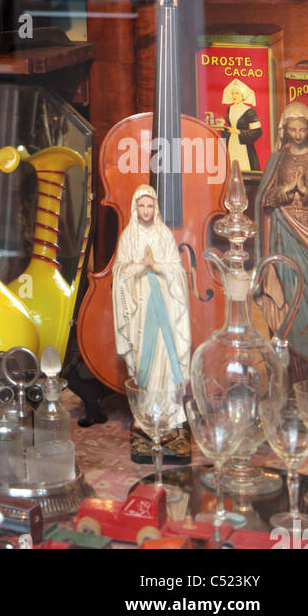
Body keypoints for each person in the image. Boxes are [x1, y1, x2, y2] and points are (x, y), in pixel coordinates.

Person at [112, 183, 192, 461]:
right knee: (143, 359)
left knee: (165, 358)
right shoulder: (128, 237)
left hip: (164, 307)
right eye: (141, 206)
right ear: (136, 208)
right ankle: (146, 412)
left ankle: (169, 413)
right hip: (140, 308)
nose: (146, 211)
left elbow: (177, 272)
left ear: (155, 208)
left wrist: (155, 266)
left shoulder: (164, 234)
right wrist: (140, 268)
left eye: (150, 206)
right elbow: (119, 271)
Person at [257, 101, 308, 378]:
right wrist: (289, 191)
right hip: (283, 237)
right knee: (292, 301)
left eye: (303, 129)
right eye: (293, 130)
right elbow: (263, 200)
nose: (299, 135)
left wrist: (306, 192)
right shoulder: (276, 161)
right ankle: (293, 377)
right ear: (284, 130)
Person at [216, 79, 264, 174]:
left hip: (243, 145)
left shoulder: (249, 111)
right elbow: (230, 126)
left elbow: (258, 132)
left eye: (237, 93)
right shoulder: (229, 109)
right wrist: (223, 129)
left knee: (244, 168)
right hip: (231, 143)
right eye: (233, 93)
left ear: (243, 96)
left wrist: (239, 132)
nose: (234, 96)